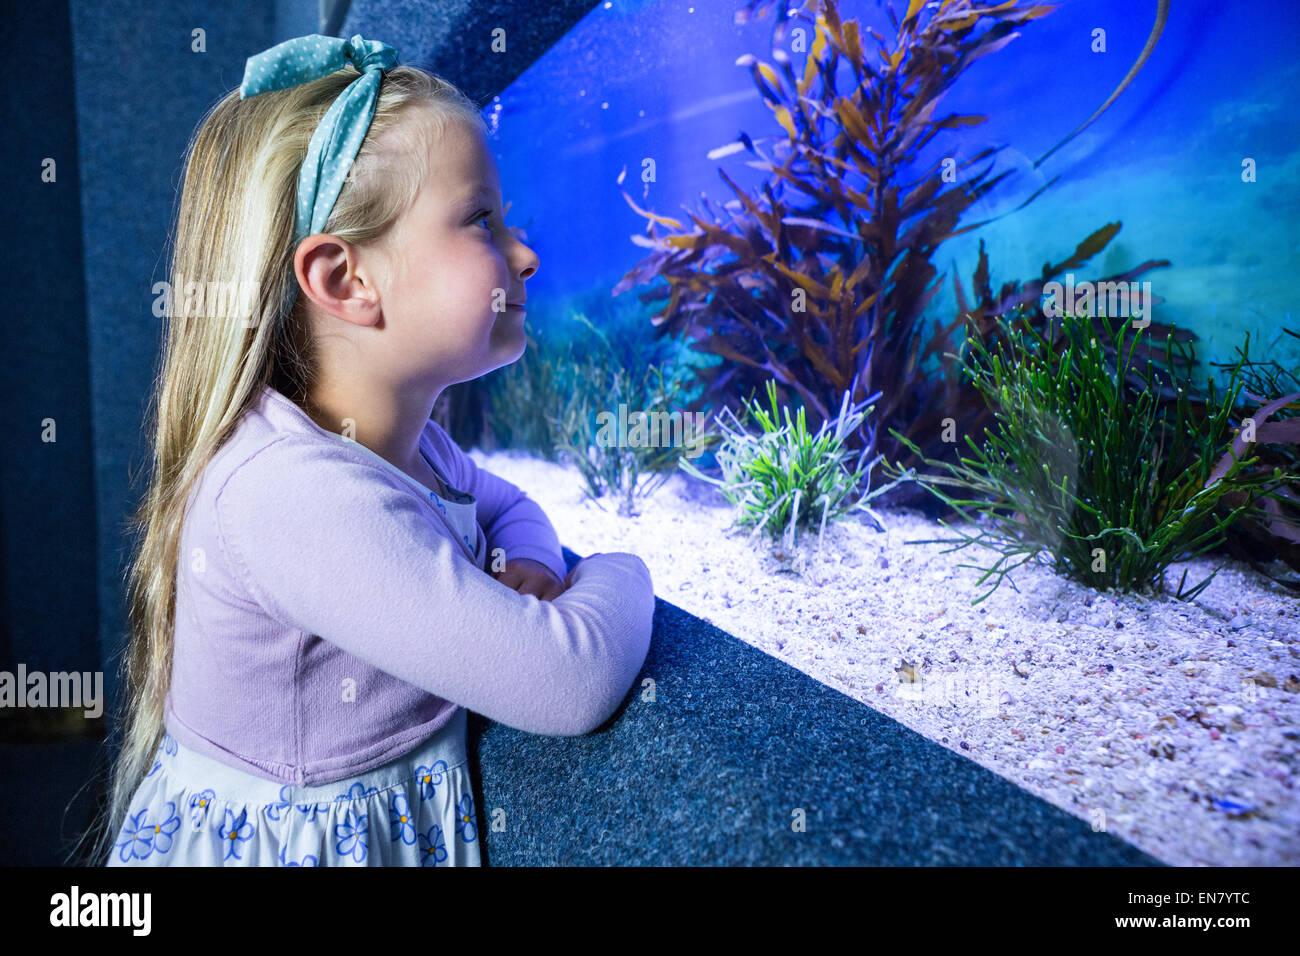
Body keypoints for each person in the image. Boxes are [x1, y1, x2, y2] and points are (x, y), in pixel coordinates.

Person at [82, 34, 655, 866]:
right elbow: (573, 679)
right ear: (347, 280)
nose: (525, 254)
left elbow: (504, 504)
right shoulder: (292, 494)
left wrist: (528, 559)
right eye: (482, 220)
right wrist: (622, 570)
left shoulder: (407, 449)